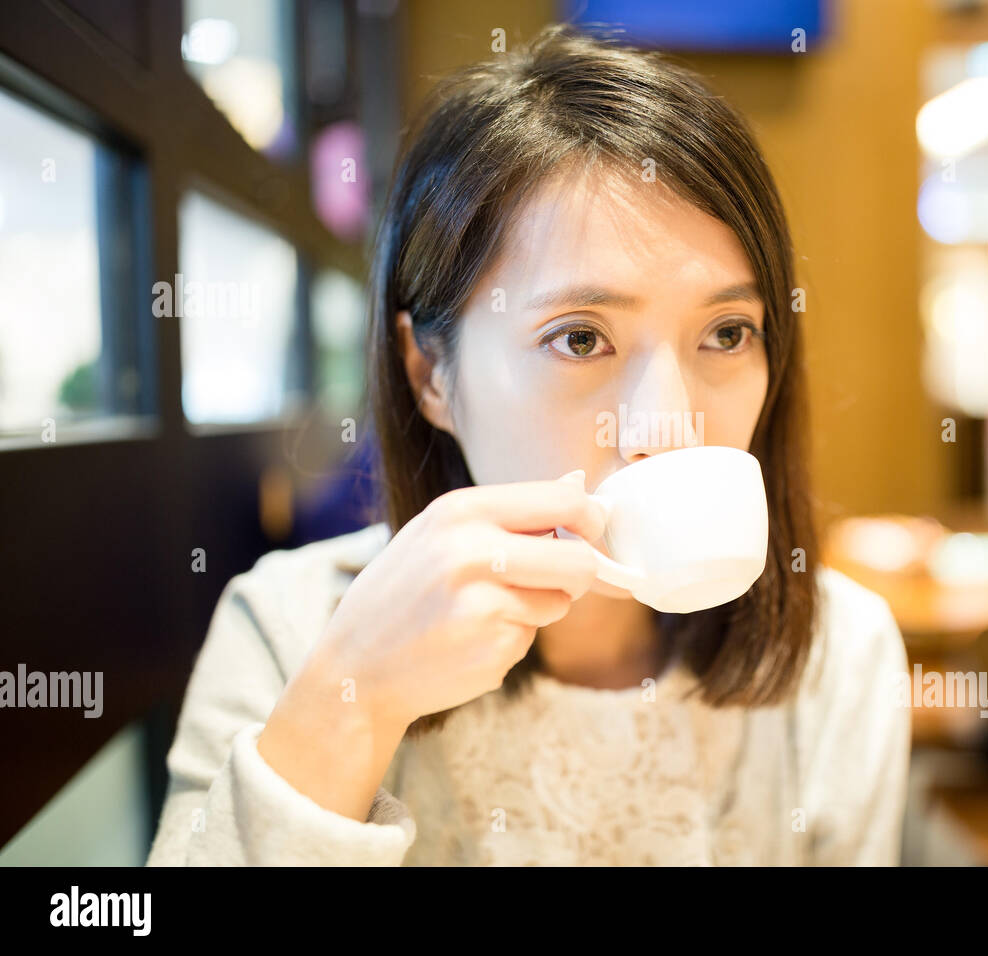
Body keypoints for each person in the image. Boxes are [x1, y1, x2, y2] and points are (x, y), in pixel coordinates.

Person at [145, 24, 910, 866]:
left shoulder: (841, 656)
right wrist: (352, 705)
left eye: (727, 332)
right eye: (580, 339)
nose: (664, 425)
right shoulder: (291, 630)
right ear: (430, 374)